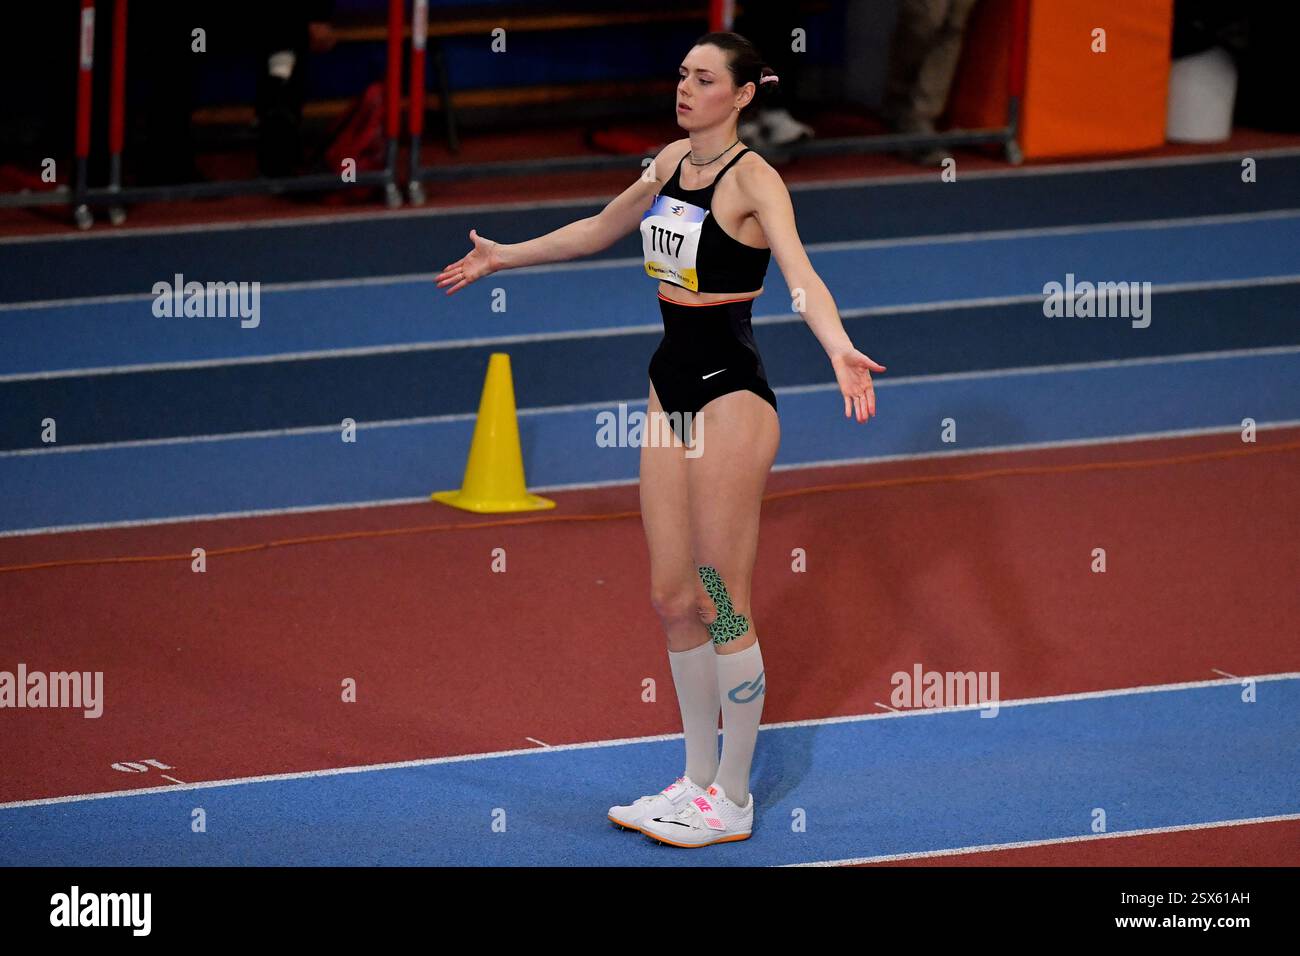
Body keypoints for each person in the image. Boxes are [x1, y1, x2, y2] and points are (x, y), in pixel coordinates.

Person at [436, 32, 884, 848]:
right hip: (667, 390)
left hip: (729, 401)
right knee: (674, 598)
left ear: (744, 94)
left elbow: (801, 275)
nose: (685, 88)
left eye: (705, 78)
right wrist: (506, 257)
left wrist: (838, 345)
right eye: (681, 73)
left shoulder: (757, 180)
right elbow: (600, 229)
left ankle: (735, 799)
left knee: (720, 598)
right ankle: (696, 779)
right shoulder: (670, 160)